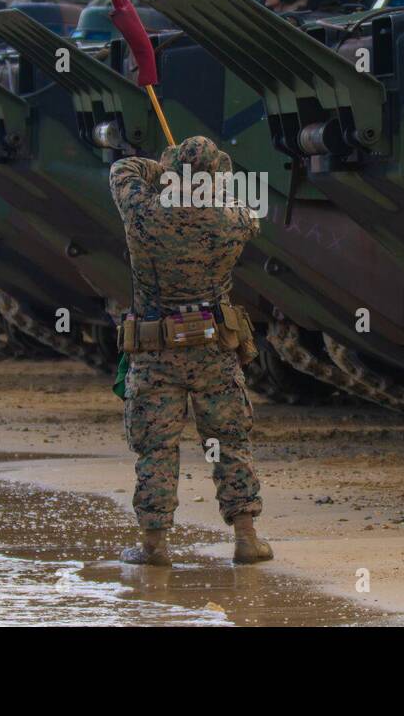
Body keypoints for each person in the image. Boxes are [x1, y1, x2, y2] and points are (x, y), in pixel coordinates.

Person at [109, 135, 273, 566]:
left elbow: (122, 170)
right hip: (213, 352)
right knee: (229, 442)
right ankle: (246, 539)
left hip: (154, 351)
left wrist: (165, 168)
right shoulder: (232, 219)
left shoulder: (142, 213)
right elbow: (248, 212)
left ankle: (154, 545)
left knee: (156, 449)